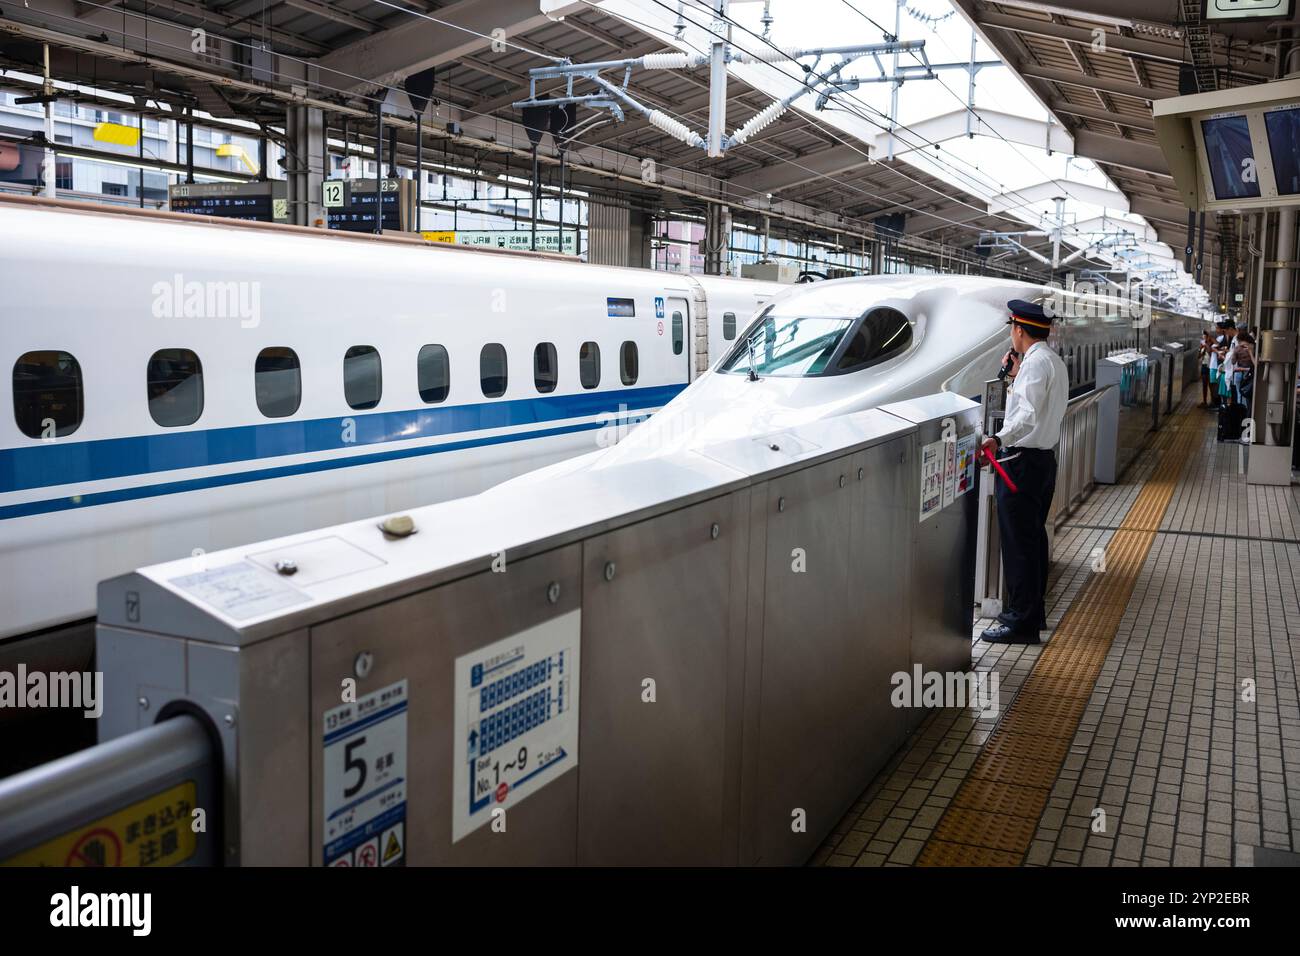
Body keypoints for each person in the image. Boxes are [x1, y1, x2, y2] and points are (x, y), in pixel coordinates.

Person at [978, 300, 1070, 644]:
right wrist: (1012, 377)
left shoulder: (1036, 365)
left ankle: (1019, 622)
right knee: (1033, 541)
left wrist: (996, 439)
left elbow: (1027, 414)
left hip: (1021, 463)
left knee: (1019, 545)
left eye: (1012, 330)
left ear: (1019, 329)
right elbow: (1036, 408)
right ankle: (1033, 614)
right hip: (1042, 462)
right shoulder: (1051, 362)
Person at [1198, 330, 1214, 407]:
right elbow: (1198, 357)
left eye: (1205, 336)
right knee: (1204, 384)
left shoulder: (1212, 344)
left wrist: (1206, 345)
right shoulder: (1203, 345)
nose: (1204, 338)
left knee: (1211, 384)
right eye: (1203, 336)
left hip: (1210, 366)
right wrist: (1200, 349)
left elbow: (1210, 352)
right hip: (1204, 365)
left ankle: (1212, 401)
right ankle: (1204, 401)